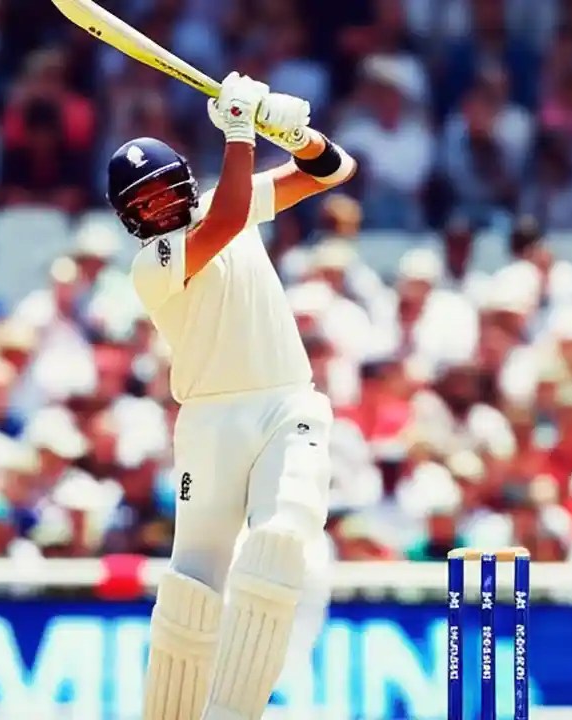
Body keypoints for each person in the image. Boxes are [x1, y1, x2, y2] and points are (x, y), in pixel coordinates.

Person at [109, 72, 356, 720]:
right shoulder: (153, 263)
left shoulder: (231, 197)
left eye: (163, 193)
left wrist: (296, 136)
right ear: (131, 218)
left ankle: (232, 714)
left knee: (280, 538)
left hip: (286, 405)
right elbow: (222, 223)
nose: (158, 209)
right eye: (144, 205)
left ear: (183, 183)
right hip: (210, 423)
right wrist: (241, 131)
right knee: (193, 584)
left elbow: (334, 171)